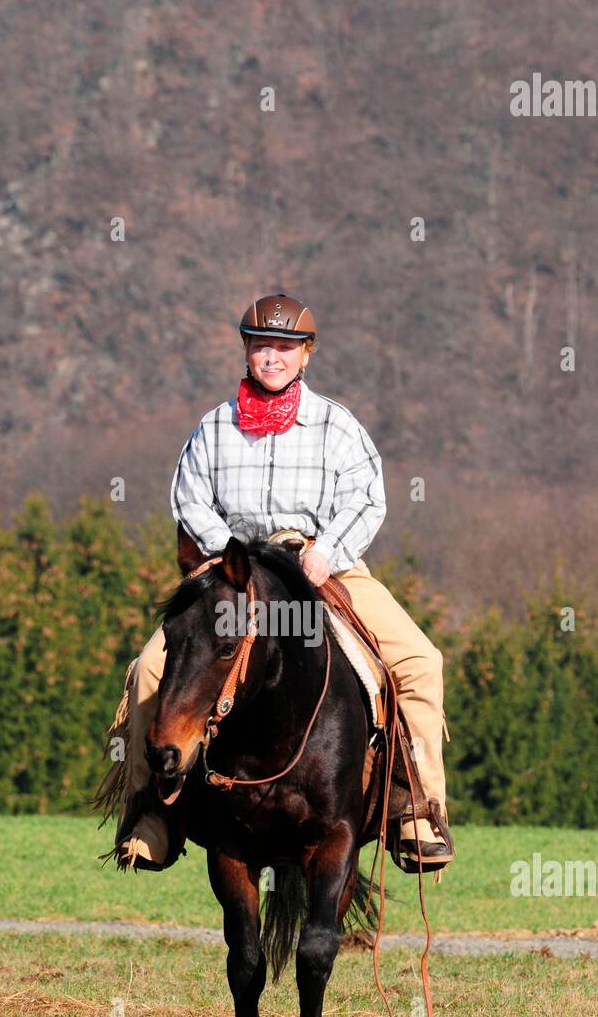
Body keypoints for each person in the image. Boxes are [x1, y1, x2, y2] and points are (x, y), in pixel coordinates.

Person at [111, 292, 453, 874]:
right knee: (148, 671)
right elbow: (189, 499)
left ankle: (414, 807)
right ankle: (156, 811)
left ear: (305, 356)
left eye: (285, 347)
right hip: (236, 575)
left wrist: (328, 552)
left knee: (421, 662)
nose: (272, 356)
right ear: (246, 350)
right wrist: (231, 559)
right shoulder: (215, 428)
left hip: (325, 570)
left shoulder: (337, 426)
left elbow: (368, 500)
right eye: (262, 345)